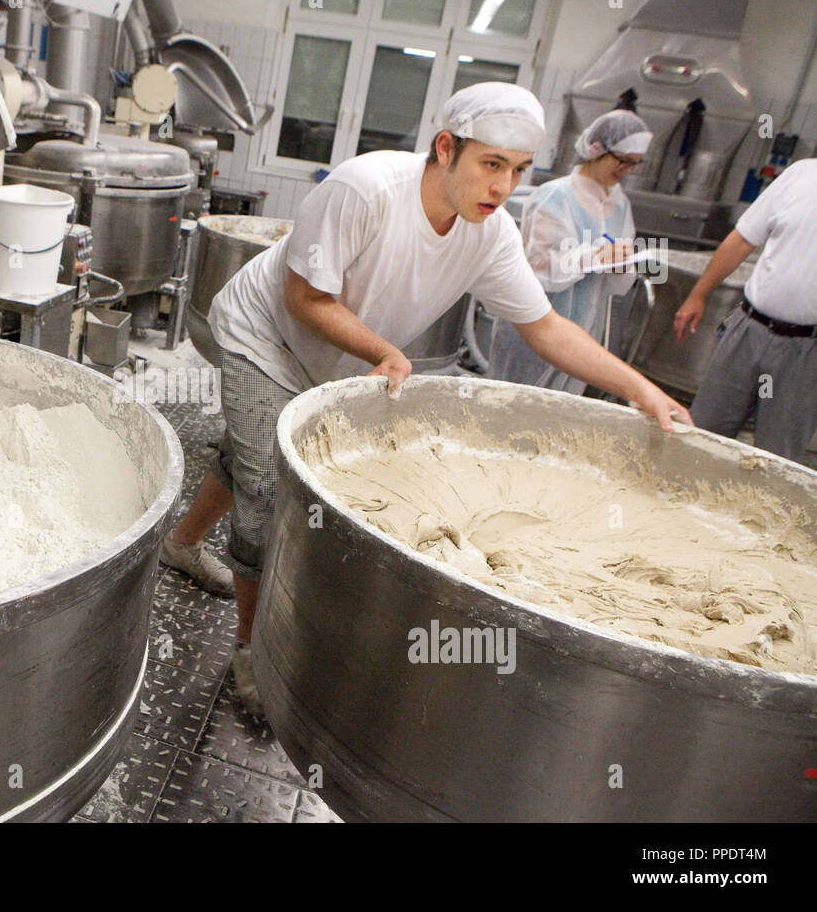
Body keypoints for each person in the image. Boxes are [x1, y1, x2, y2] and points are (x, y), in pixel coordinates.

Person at [185, 82, 689, 717]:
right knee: (266, 491)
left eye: (519, 170)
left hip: (333, 357)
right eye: (491, 165)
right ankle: (251, 650)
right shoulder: (363, 189)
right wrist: (384, 352)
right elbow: (303, 299)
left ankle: (181, 543)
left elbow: (545, 327)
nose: (503, 187)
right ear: (446, 148)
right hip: (264, 336)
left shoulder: (489, 232)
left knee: (247, 454)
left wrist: (640, 388)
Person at [489, 110, 652, 392]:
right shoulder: (555, 196)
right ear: (596, 148)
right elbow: (535, 268)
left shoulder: (620, 204)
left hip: (583, 330)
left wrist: (622, 265)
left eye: (634, 164)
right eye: (622, 160)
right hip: (533, 331)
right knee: (512, 406)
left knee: (560, 418)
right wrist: (592, 257)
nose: (626, 170)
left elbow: (618, 282)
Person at [673, 158, 817, 464]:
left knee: (778, 458)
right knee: (701, 435)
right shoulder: (800, 174)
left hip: (807, 351)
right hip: (748, 328)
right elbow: (742, 241)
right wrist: (697, 295)